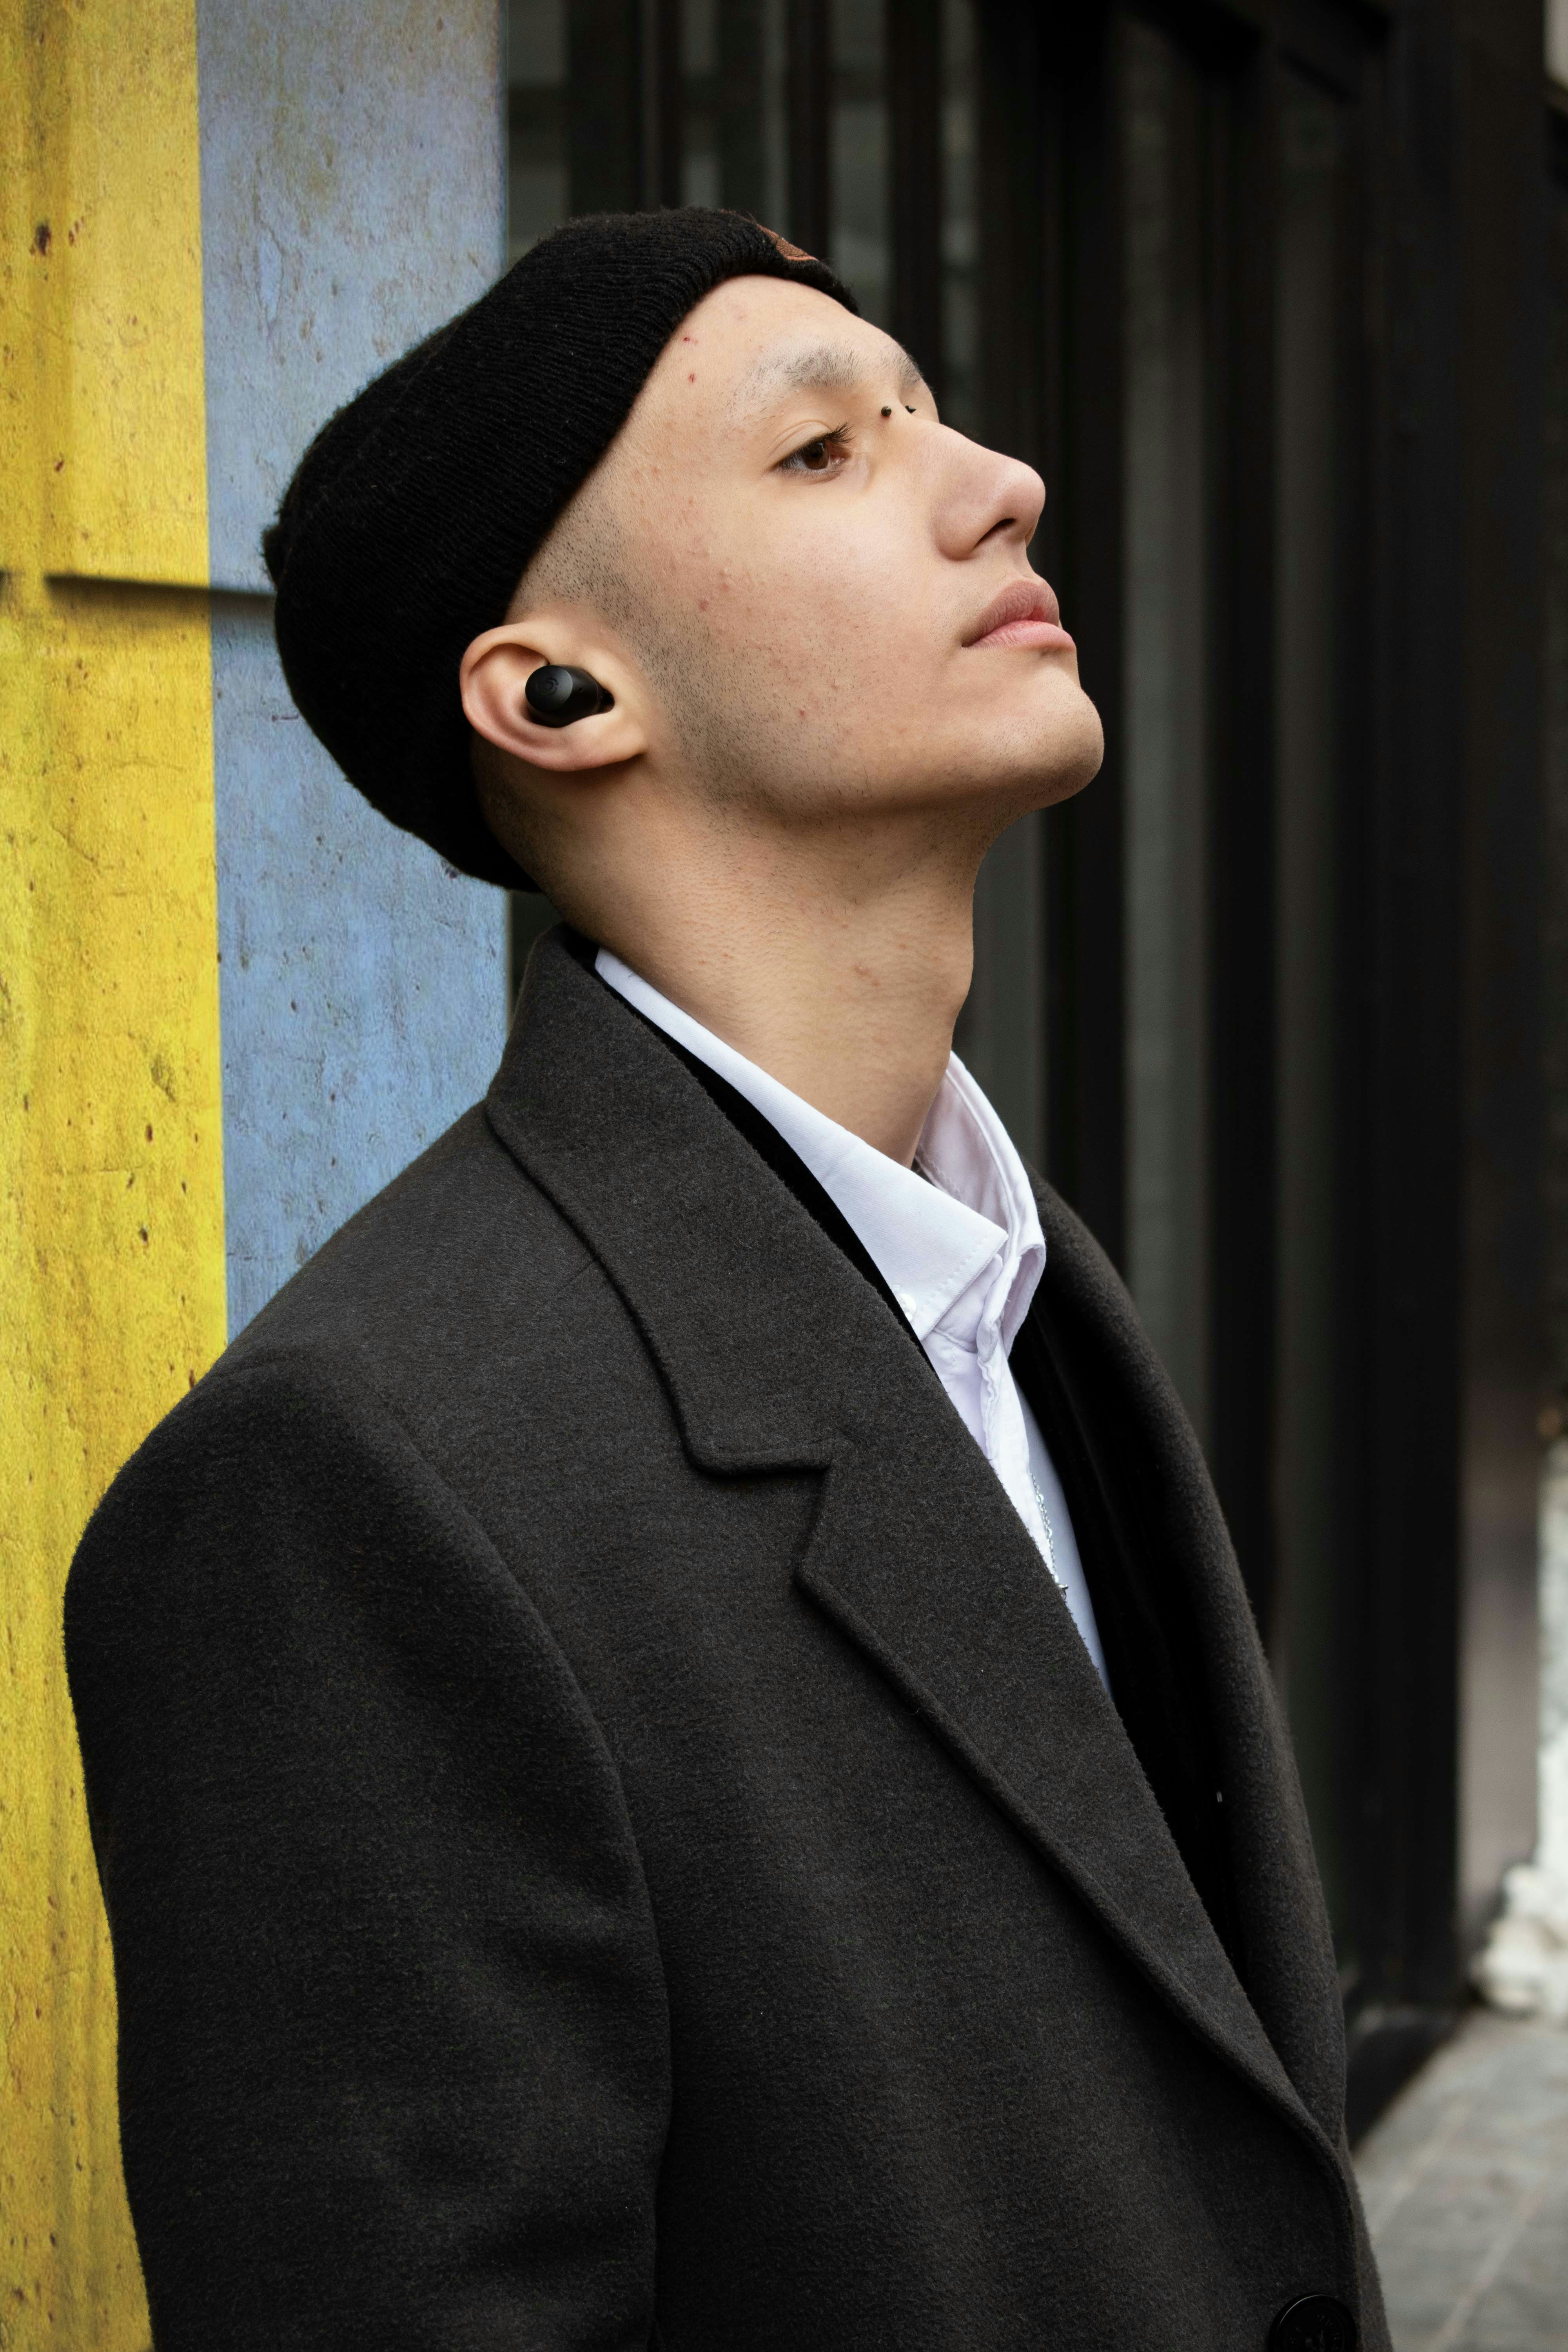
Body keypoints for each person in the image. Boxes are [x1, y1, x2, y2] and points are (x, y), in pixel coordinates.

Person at [65, 209, 1386, 2352]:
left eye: (932, 414)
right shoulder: (353, 1485)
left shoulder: (1027, 1295)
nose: (998, 481)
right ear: (561, 693)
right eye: (824, 454)